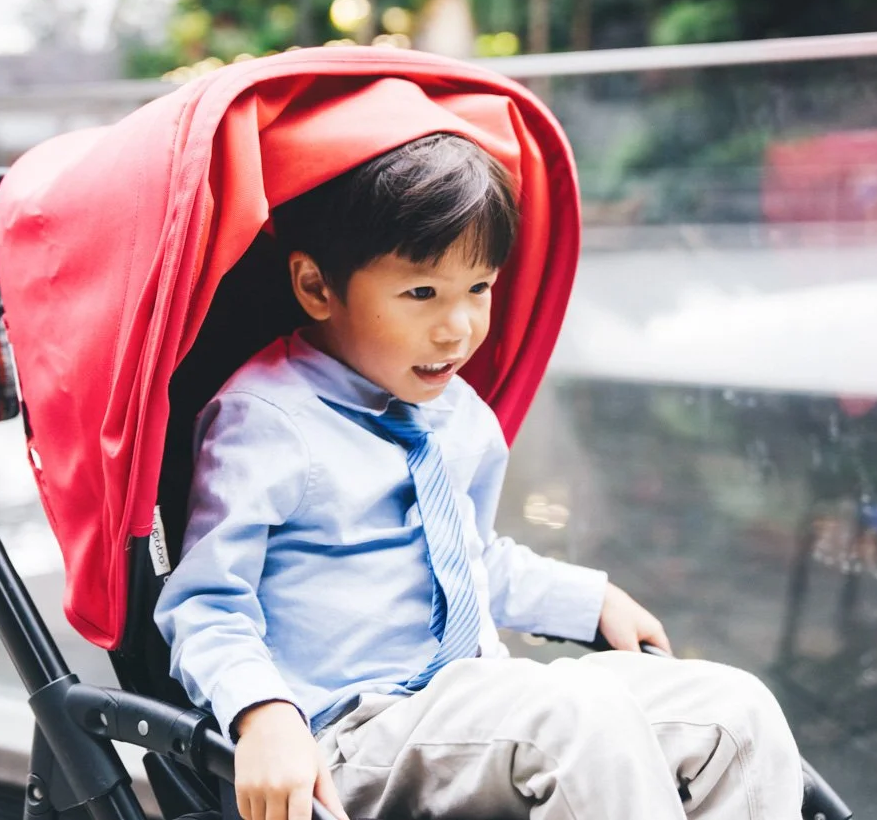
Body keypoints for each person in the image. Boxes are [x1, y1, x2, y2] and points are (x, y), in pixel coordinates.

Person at [155, 132, 805, 820]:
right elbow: (205, 602)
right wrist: (264, 713)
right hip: (348, 736)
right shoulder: (266, 420)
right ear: (317, 285)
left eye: (480, 287)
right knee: (577, 714)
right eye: (423, 292)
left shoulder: (457, 414)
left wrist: (590, 599)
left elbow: (469, 560)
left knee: (736, 713)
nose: (459, 327)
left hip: (478, 705)